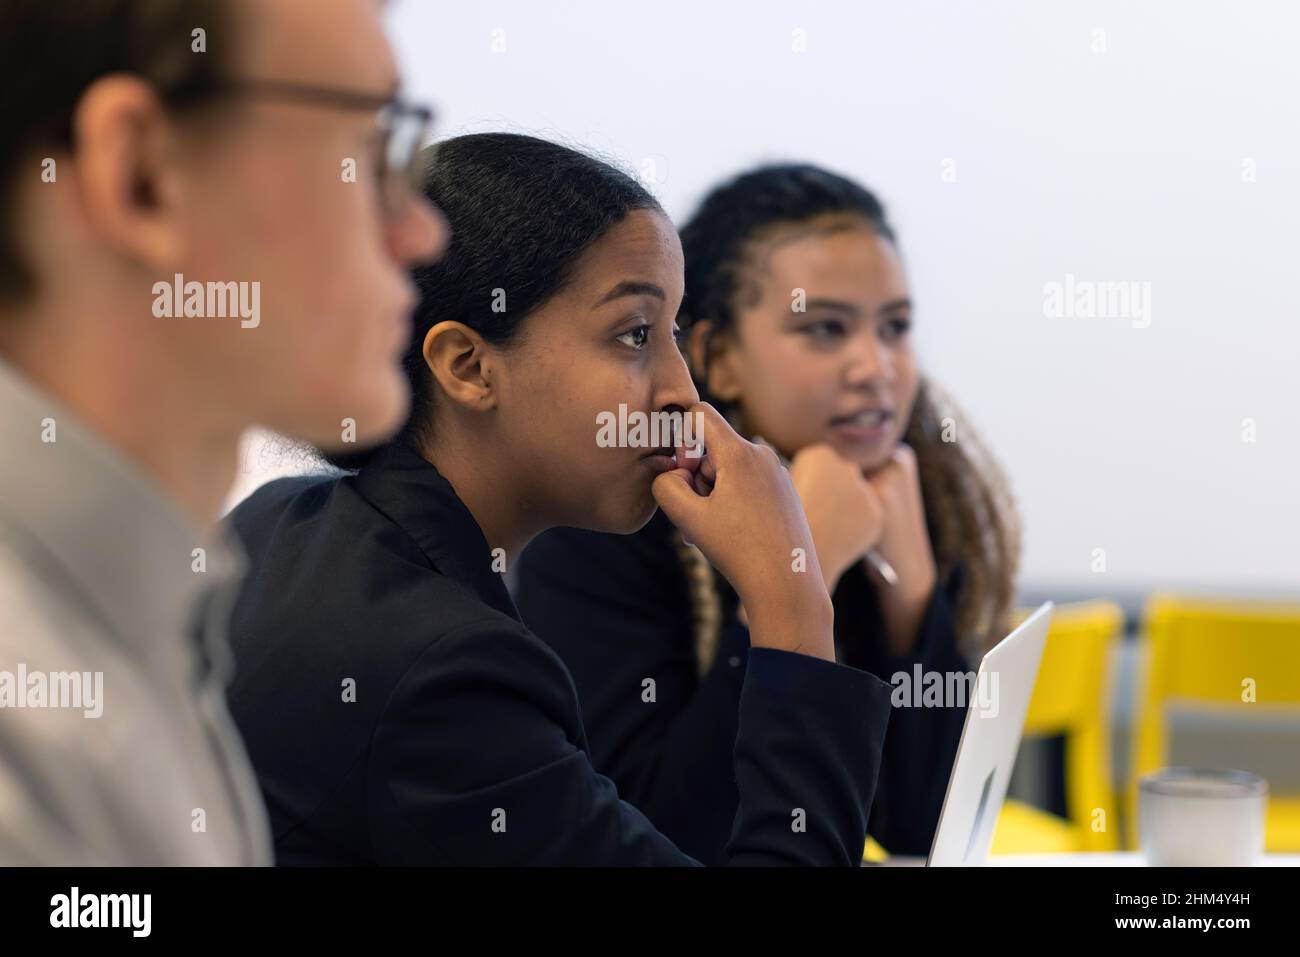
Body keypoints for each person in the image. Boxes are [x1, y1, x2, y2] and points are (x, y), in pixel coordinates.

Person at [223, 133, 894, 865]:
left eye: (672, 333)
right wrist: (794, 607)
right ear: (469, 366)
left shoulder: (278, 520)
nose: (682, 390)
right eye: (635, 333)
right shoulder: (448, 674)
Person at [0, 0, 445, 864]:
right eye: (371, 147)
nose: (420, 229)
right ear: (142, 174)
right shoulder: (30, 753)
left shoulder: (146, 608)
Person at [516, 163, 1022, 862]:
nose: (875, 367)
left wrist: (913, 597)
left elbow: (927, 831)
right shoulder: (611, 518)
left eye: (896, 327)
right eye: (825, 329)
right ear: (717, 356)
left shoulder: (893, 499)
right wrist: (786, 585)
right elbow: (666, 831)